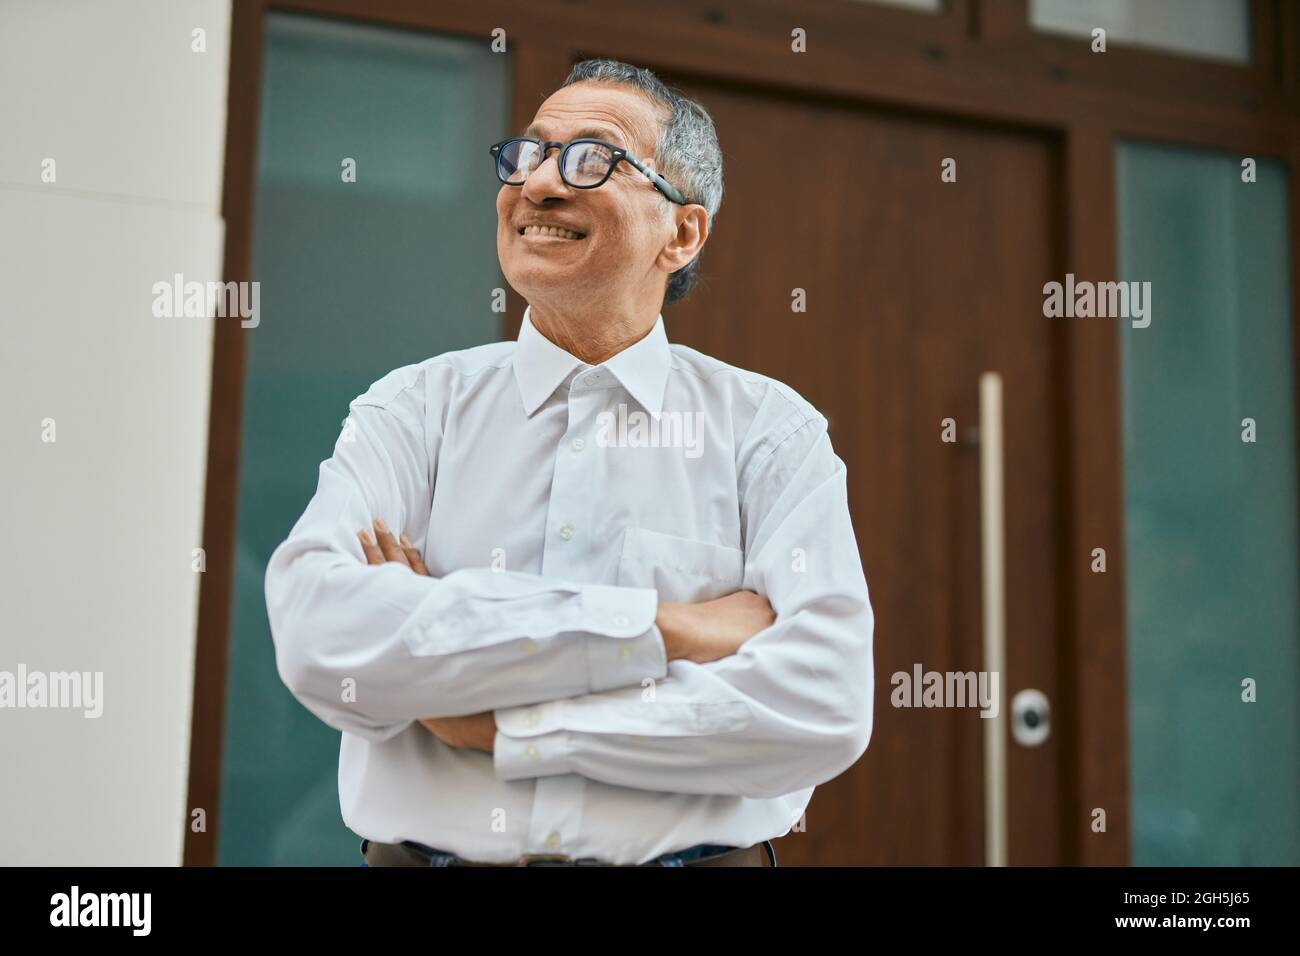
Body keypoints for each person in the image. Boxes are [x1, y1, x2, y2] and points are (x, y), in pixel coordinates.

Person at [265, 58, 874, 867]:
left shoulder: (770, 433)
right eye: (527, 154)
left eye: (594, 159)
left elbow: (822, 702)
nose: (540, 185)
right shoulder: (413, 410)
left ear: (682, 233)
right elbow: (321, 636)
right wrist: (668, 629)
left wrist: (494, 715)